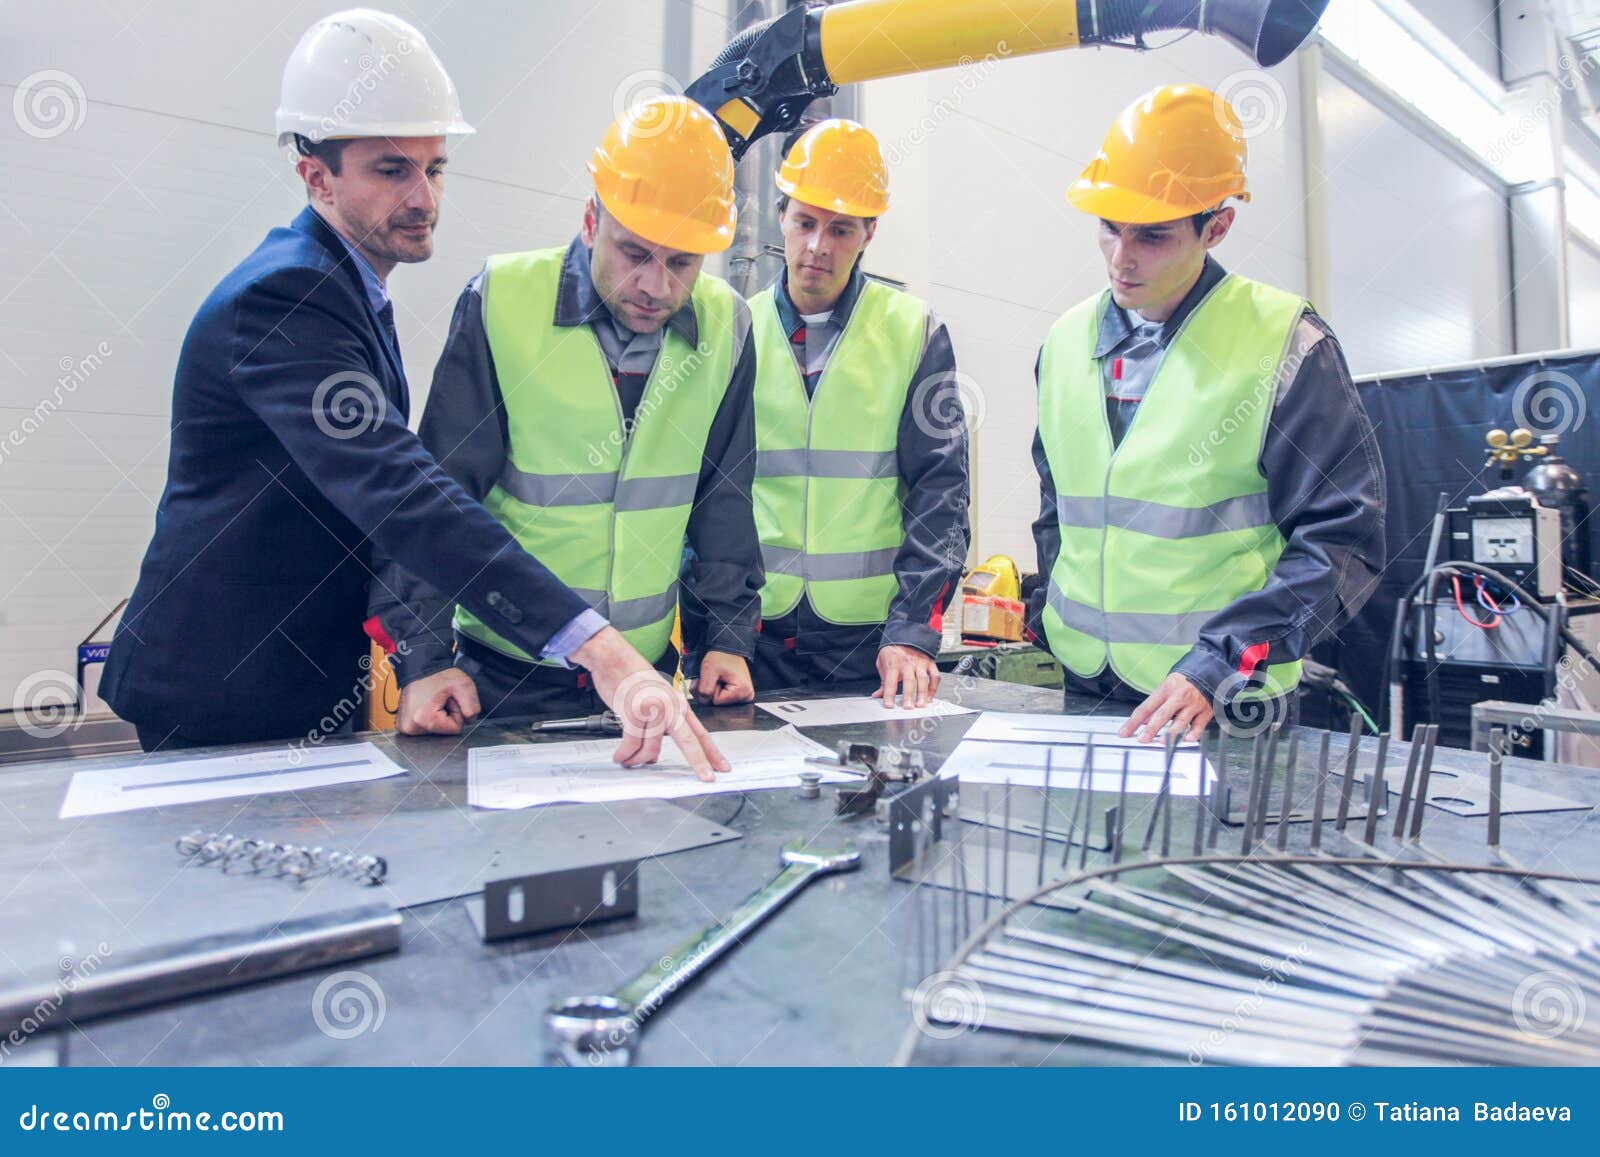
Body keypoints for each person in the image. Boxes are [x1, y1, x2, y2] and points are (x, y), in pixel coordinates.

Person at [101, 10, 727, 778]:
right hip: (222, 686)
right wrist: (600, 650)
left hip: (296, 676)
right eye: (391, 170)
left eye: (434, 168)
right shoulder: (288, 300)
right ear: (315, 175)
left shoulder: (348, 290)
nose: (423, 196)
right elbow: (408, 494)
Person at [384, 95, 762, 727]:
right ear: (591, 221)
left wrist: (723, 636)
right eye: (634, 252)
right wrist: (423, 660)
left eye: (682, 263)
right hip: (505, 678)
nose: (655, 285)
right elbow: (436, 500)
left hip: (642, 682)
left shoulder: (728, 329)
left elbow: (722, 501)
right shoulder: (502, 302)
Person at [1027, 84, 1385, 742]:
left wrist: (1225, 657)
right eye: (1109, 226)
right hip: (1087, 686)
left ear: (1215, 226)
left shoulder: (1285, 344)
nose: (1120, 257)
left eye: (1153, 236)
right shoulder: (1062, 343)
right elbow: (1060, 511)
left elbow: (1344, 543)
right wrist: (1045, 609)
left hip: (1224, 703)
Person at [721, 118, 969, 708]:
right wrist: (715, 633)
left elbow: (941, 493)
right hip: (753, 641)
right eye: (805, 222)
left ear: (869, 233)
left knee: (874, 794)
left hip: (872, 646)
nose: (817, 247)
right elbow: (708, 499)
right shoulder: (733, 329)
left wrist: (912, 630)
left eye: (841, 229)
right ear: (781, 216)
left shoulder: (914, 332)